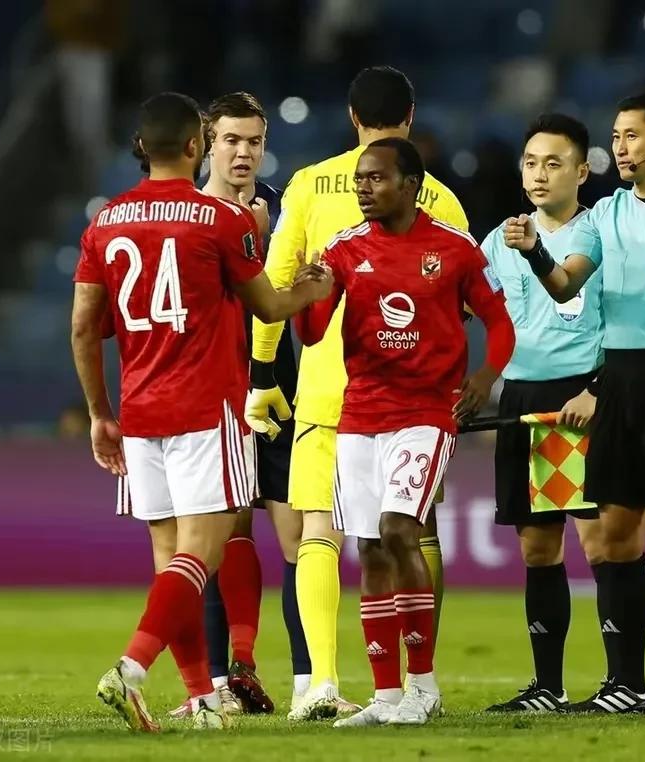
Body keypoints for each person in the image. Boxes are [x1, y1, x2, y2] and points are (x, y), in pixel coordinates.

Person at [71, 91, 332, 732]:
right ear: (198, 145)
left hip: (139, 411)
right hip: (206, 409)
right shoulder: (220, 220)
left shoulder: (104, 221)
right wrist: (312, 288)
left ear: (141, 146)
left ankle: (202, 698)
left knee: (172, 563)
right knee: (201, 558)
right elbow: (268, 306)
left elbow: (83, 328)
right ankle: (132, 666)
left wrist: (99, 412)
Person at [247, 66, 469, 721]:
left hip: (327, 386)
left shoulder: (310, 184)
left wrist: (263, 373)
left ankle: (318, 681)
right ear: (410, 118)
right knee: (414, 532)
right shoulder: (437, 196)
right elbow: (461, 299)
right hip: (415, 394)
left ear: (351, 117)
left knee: (319, 529)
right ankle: (420, 682)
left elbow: (276, 282)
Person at [294, 138, 515, 727]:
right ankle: (387, 696)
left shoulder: (455, 248)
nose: (363, 188)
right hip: (359, 414)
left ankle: (423, 686)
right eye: (360, 178)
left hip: (424, 414)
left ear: (411, 185)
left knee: (399, 531)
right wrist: (306, 295)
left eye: (376, 178)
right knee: (368, 547)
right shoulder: (344, 249)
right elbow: (313, 333)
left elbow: (499, 323)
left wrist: (484, 378)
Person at [504, 93, 645, 714]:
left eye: (631, 136)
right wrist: (535, 251)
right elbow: (566, 283)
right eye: (615, 136)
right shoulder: (605, 214)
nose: (619, 147)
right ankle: (626, 682)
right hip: (618, 378)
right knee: (615, 535)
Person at [166, 92, 309, 720]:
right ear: (206, 143)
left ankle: (310, 684)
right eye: (231, 140)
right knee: (220, 535)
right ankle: (221, 681)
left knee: (298, 534)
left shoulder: (283, 210)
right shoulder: (186, 215)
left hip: (278, 389)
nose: (244, 152)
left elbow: (292, 294)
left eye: (254, 141)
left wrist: (267, 241)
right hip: (213, 391)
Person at [481, 114, 606, 713]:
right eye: (530, 162)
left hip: (580, 396)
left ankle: (624, 681)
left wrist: (600, 389)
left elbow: (585, 298)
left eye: (553, 163)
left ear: (581, 172)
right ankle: (548, 688)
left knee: (602, 543)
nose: (539, 174)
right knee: (538, 548)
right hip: (522, 397)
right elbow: (471, 315)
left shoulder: (597, 233)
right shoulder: (496, 240)